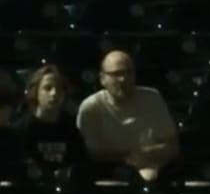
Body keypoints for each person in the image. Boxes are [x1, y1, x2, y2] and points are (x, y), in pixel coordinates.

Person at [76, 51, 179, 182]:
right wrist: (128, 156)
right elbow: (89, 153)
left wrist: (148, 153)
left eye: (128, 73)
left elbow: (172, 146)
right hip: (106, 174)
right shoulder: (91, 107)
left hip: (152, 172)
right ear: (102, 78)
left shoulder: (152, 98)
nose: (123, 79)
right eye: (116, 74)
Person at [15, 65, 86, 180]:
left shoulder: (72, 128)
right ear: (35, 91)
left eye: (59, 88)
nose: (54, 93)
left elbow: (81, 162)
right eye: (47, 88)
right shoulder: (21, 129)